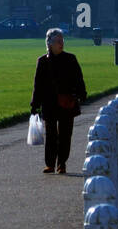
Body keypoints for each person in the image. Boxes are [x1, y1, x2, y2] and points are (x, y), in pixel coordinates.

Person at [30, 28, 87, 174]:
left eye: (62, 41)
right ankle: (50, 163)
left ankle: (62, 163)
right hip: (49, 103)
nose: (61, 44)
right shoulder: (42, 61)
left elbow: (79, 79)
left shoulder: (71, 59)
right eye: (58, 41)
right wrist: (35, 104)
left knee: (65, 135)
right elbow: (38, 85)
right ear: (49, 43)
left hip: (67, 102)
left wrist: (81, 94)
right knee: (50, 135)